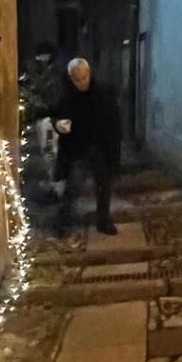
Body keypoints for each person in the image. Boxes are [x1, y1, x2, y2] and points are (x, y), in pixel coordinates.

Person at [52, 58, 122, 236]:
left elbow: (114, 122)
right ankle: (63, 222)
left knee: (104, 186)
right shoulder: (66, 96)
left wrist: (114, 151)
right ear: (71, 78)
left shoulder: (104, 92)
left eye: (84, 78)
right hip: (77, 148)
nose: (82, 83)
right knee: (73, 186)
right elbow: (58, 116)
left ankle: (103, 221)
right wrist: (59, 125)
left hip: (101, 146)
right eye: (78, 79)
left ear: (89, 74)